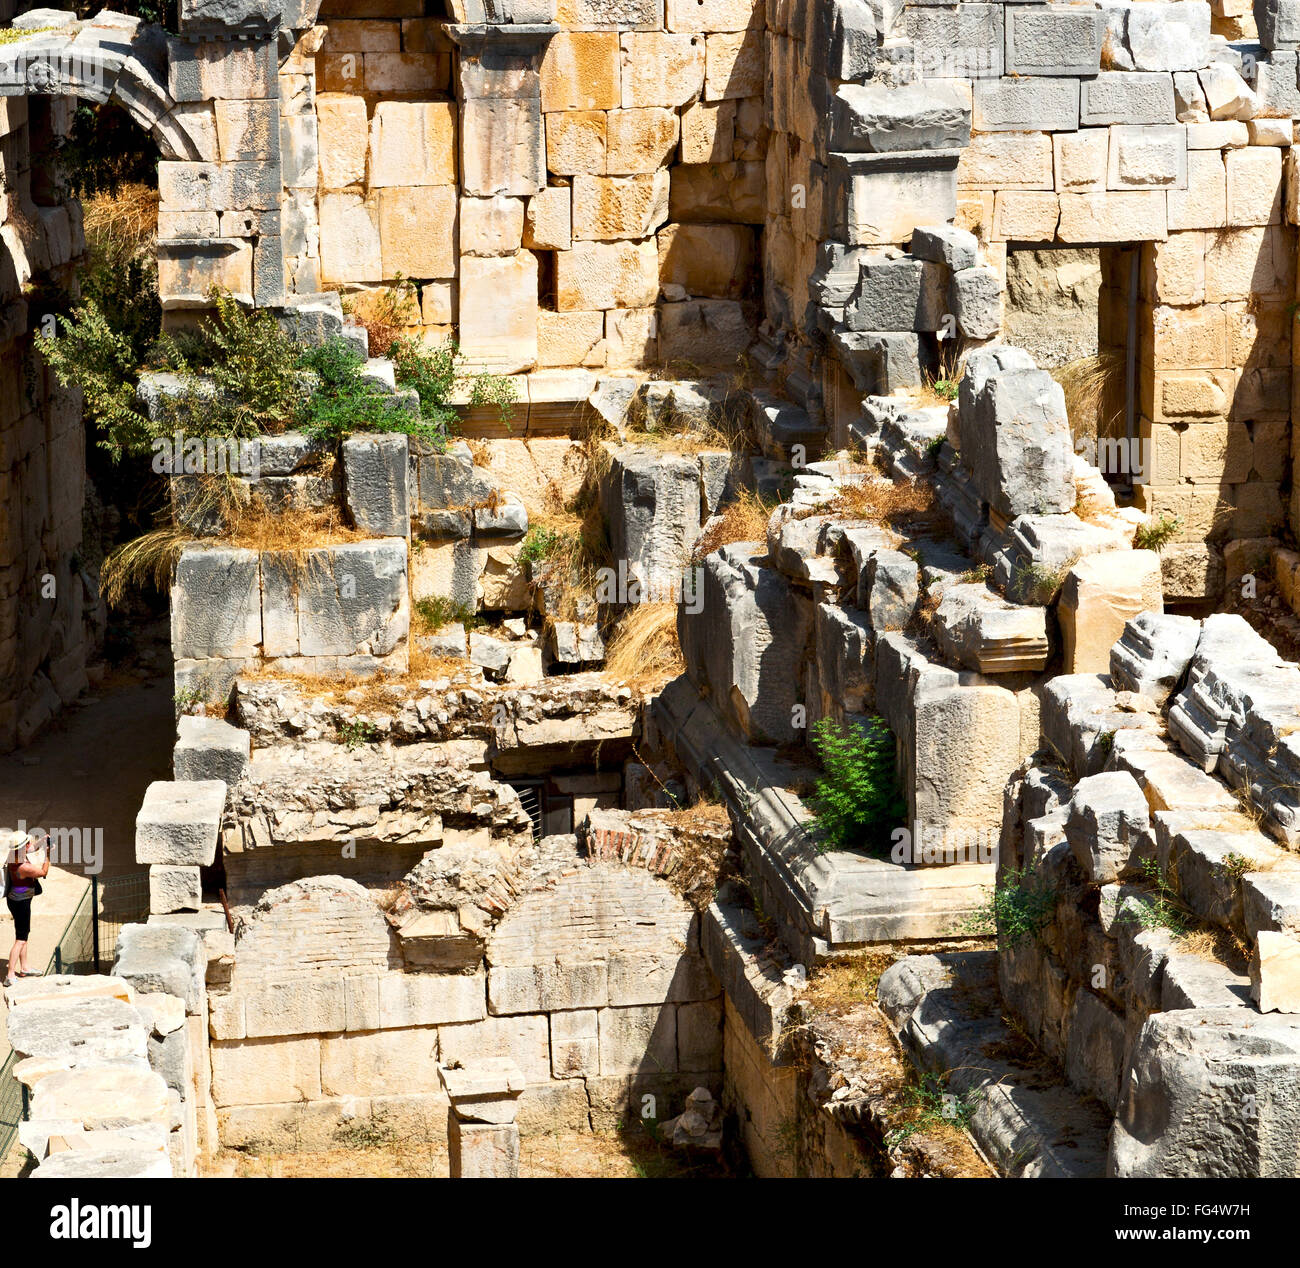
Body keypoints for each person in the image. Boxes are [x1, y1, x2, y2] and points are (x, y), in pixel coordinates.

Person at [5, 829, 49, 988]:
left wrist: (42, 841)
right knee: (20, 939)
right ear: (21, 846)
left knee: (23, 934)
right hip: (21, 902)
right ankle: (10, 975)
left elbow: (32, 848)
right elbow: (43, 872)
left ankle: (24, 968)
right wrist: (48, 855)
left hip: (15, 899)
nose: (30, 844)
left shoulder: (14, 855)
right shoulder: (22, 866)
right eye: (27, 843)